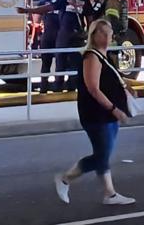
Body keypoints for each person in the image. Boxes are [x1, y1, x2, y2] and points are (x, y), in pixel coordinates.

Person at [53, 18, 135, 206]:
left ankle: (110, 194)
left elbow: (110, 79)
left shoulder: (104, 55)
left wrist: (126, 87)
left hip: (106, 115)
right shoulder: (91, 57)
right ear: (93, 35)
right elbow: (93, 89)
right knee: (101, 155)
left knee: (103, 153)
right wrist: (114, 110)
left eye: (109, 33)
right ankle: (65, 179)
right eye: (102, 33)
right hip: (97, 114)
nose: (106, 37)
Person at [57, 0, 95, 92]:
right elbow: (90, 20)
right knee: (75, 64)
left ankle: (58, 89)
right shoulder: (84, 0)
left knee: (60, 62)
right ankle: (71, 89)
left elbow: (51, 9)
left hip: (63, 35)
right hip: (77, 36)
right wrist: (89, 34)